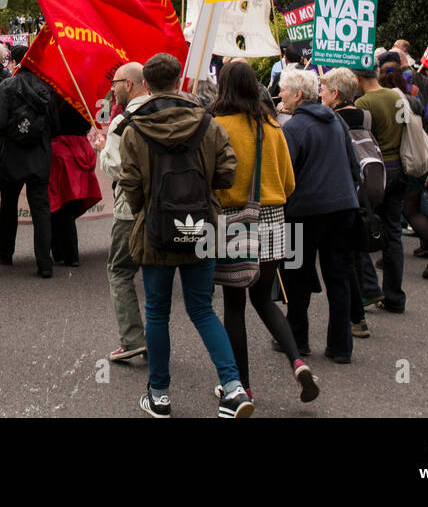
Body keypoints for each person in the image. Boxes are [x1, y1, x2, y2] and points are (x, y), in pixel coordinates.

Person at [117, 54, 252, 418]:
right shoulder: (208, 124)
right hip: (202, 229)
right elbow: (228, 172)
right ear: (179, 80)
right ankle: (234, 388)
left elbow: (129, 183)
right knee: (203, 310)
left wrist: (148, 206)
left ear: (146, 83)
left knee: (157, 312)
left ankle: (159, 395)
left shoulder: (134, 128)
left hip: (155, 232)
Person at [212, 61, 302, 400]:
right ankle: (297, 363)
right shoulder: (272, 126)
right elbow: (289, 182)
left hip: (232, 220)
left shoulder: (217, 126)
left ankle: (242, 386)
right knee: (265, 299)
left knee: (234, 307)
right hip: (275, 219)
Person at [279, 68, 360, 380]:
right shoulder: (336, 121)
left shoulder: (295, 128)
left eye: (285, 90)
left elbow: (287, 175)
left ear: (299, 95)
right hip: (342, 207)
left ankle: (297, 340)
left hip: (305, 211)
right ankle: (341, 347)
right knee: (338, 276)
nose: (281, 95)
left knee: (297, 277)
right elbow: (353, 165)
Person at [0, 46, 57, 277]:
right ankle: (44, 263)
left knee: (8, 205)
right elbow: (55, 125)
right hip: (39, 154)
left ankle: (5, 254)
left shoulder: (7, 86)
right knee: (41, 208)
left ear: (16, 62)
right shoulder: (47, 87)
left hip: (11, 155)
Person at [379, 57, 428, 279]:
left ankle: (387, 255)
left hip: (396, 162)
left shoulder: (383, 101)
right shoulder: (413, 101)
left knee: (389, 213)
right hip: (417, 160)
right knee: (412, 210)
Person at [98, 61, 149, 363]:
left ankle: (133, 338)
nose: (112, 88)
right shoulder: (168, 112)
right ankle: (156, 340)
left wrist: (103, 149)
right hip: (167, 208)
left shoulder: (123, 121)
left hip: (131, 209)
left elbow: (115, 167)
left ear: (129, 85)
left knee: (119, 270)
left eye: (115, 82)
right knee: (156, 277)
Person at [354, 52, 409, 312]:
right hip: (399, 164)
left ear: (357, 77)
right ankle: (395, 296)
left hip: (377, 169)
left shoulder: (364, 103)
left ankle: (369, 289)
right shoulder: (396, 96)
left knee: (364, 226)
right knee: (394, 233)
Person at [48, 96, 102, 268]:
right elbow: (87, 124)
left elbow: (51, 124)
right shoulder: (80, 96)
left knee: (58, 204)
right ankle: (68, 253)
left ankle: (64, 253)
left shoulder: (53, 96)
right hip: (80, 147)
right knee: (69, 204)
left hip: (60, 150)